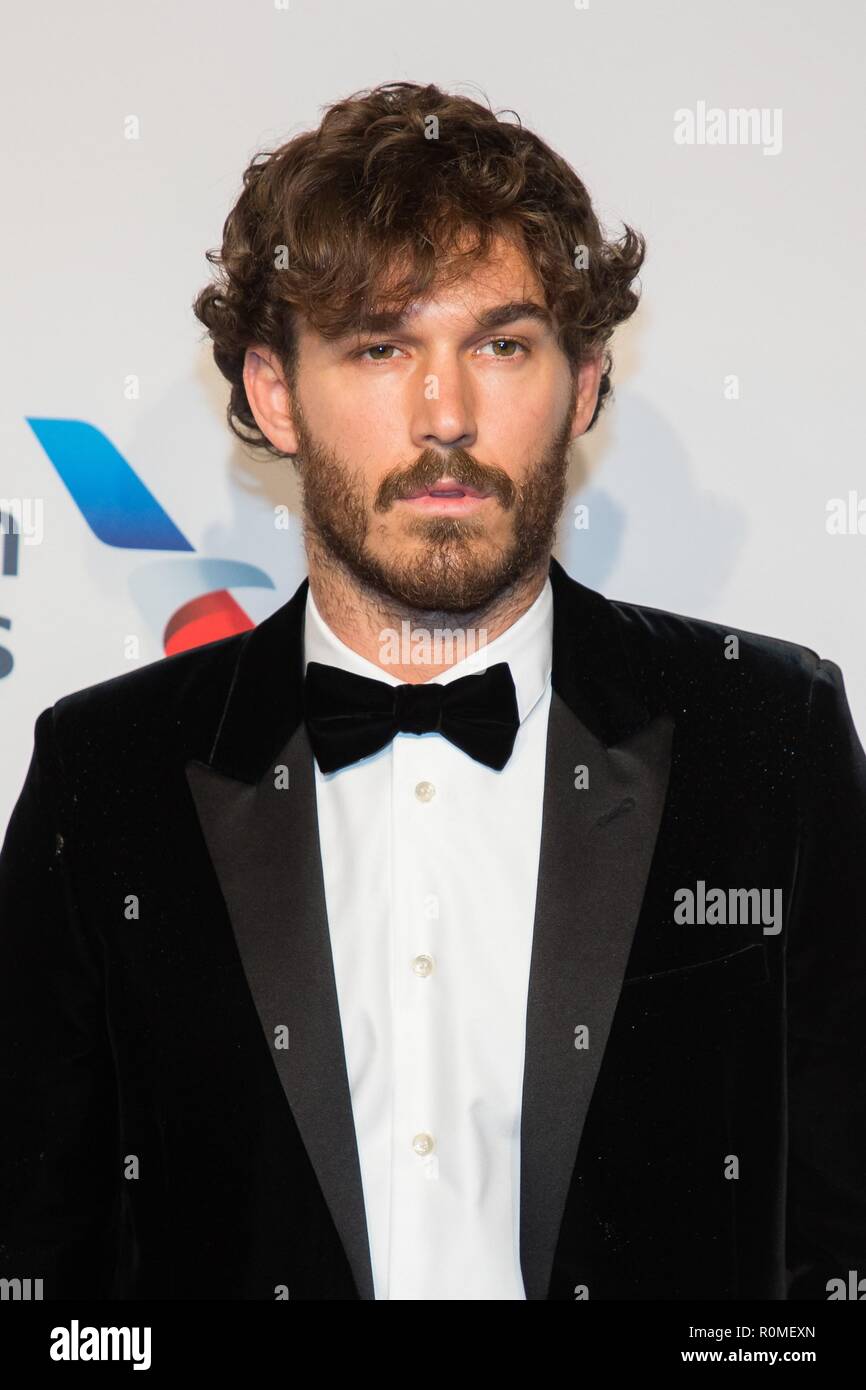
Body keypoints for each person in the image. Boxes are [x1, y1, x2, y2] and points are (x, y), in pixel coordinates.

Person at [1, 80, 864, 1302]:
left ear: (583, 382)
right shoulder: (107, 775)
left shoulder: (768, 737)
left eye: (500, 345)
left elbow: (839, 1233)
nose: (444, 415)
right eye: (378, 346)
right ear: (272, 392)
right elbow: (42, 1260)